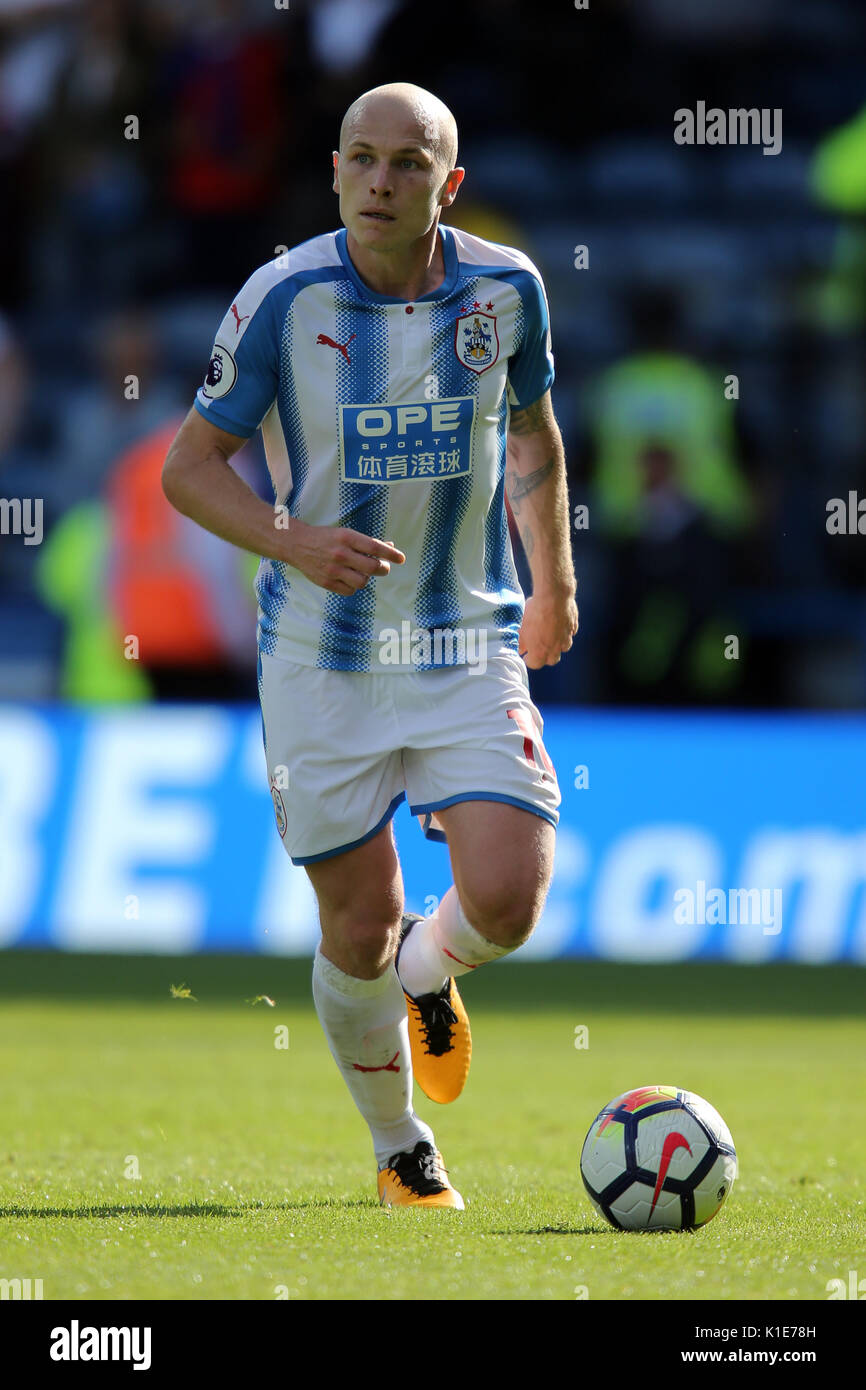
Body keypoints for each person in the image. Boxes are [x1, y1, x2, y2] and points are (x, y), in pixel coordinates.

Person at [162, 82, 578, 1209]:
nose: (381, 182)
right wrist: (293, 540)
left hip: (461, 638)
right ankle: (400, 1146)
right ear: (335, 171)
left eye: (407, 163)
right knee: (352, 925)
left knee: (507, 897)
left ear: (449, 184)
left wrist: (552, 584)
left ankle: (428, 969)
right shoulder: (283, 297)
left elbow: (532, 431)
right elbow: (187, 470)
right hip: (318, 657)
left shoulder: (507, 289)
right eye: (361, 159)